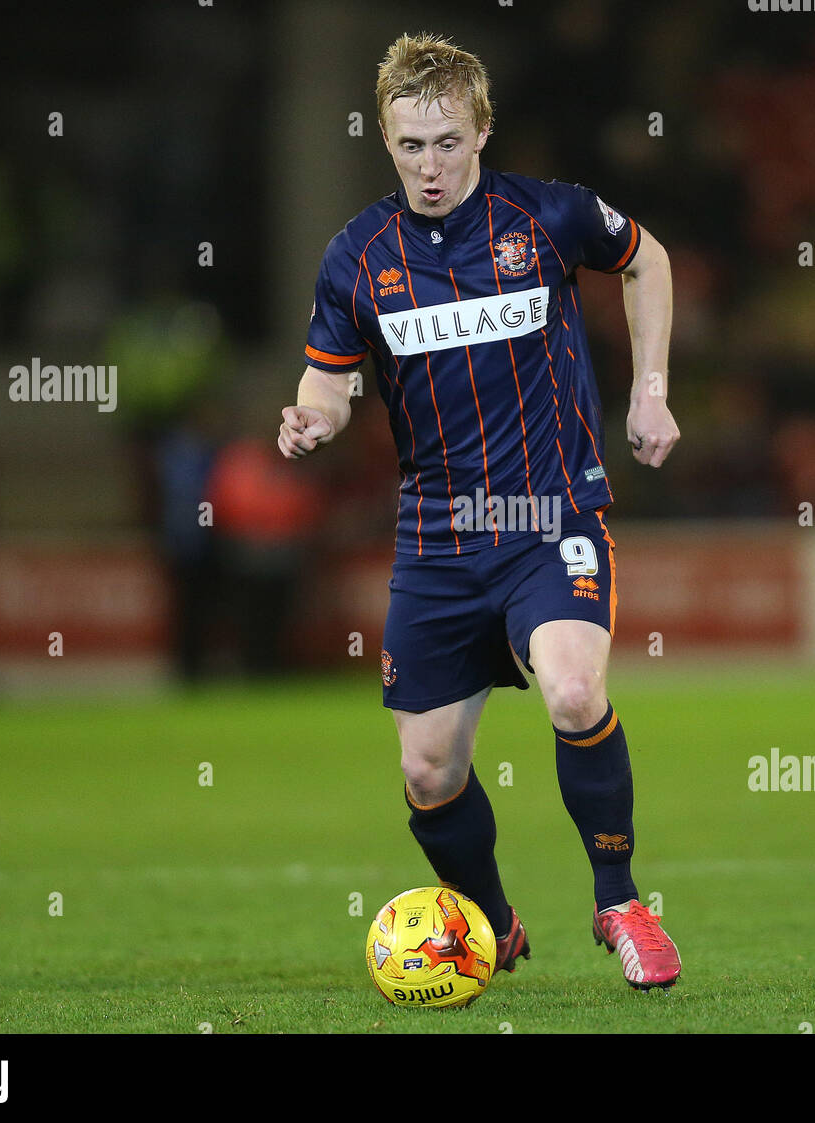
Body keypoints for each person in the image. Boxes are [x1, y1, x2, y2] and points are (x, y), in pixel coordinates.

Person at [277, 32, 682, 990]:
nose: (430, 165)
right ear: (385, 139)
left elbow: (647, 259)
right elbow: (328, 383)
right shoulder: (357, 257)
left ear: (482, 130)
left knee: (576, 692)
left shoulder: (546, 215)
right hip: (437, 539)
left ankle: (621, 901)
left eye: (448, 142)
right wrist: (311, 418)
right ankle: (494, 923)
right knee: (428, 773)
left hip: (552, 516)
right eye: (411, 145)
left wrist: (651, 387)